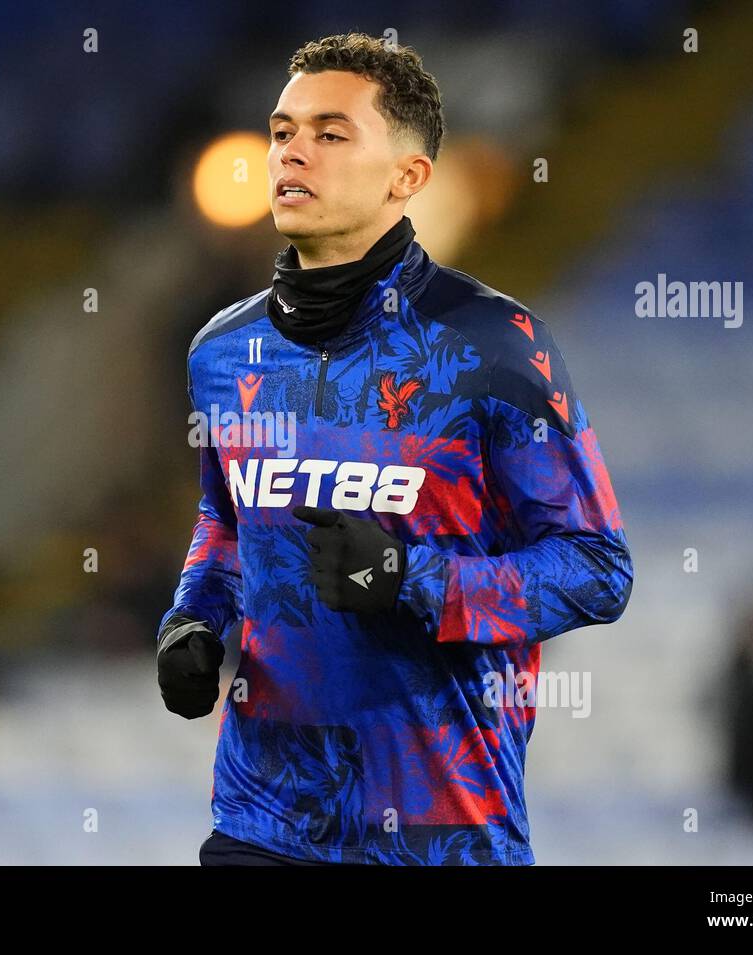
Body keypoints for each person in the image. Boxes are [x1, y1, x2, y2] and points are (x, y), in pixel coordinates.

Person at [157, 33, 633, 866]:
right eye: (281, 130)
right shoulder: (221, 353)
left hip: (438, 830)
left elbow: (597, 568)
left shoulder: (494, 344)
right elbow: (227, 522)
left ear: (407, 177)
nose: (291, 151)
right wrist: (194, 618)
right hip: (261, 821)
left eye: (330, 133)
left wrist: (413, 581)